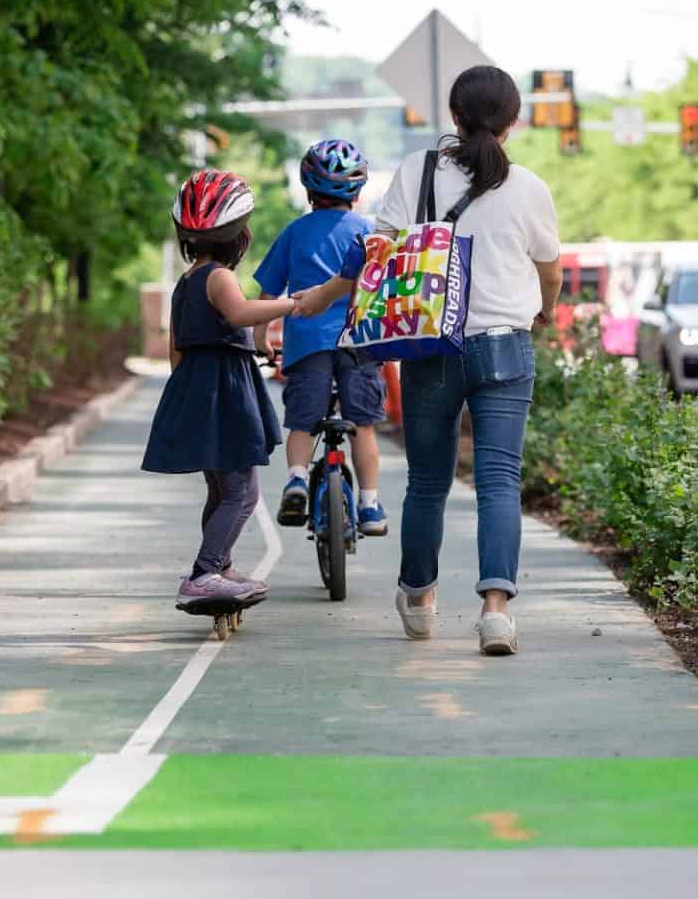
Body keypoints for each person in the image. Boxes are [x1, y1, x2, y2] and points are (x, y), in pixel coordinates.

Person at [293, 66, 561, 656]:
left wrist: (324, 296)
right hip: (504, 343)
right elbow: (550, 270)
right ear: (514, 121)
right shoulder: (529, 187)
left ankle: (419, 599)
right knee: (498, 481)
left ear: (454, 116)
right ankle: (496, 614)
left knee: (429, 481)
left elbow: (376, 252)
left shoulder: (419, 169)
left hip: (431, 342)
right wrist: (544, 309)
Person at [141, 169, 299, 607]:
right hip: (224, 393)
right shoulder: (219, 277)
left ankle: (220, 566)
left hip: (200, 390)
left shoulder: (186, 282)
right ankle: (205, 572)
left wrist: (189, 398)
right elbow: (239, 314)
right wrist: (292, 304)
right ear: (240, 237)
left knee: (222, 490)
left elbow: (176, 349)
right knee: (241, 493)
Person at [252, 138, 387, 537]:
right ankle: (369, 504)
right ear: (357, 192)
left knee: (302, 422)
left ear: (308, 190)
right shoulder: (368, 232)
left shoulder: (294, 232)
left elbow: (267, 293)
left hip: (307, 342)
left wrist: (261, 337)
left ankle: (296, 480)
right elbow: (385, 286)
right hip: (359, 341)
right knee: (363, 424)